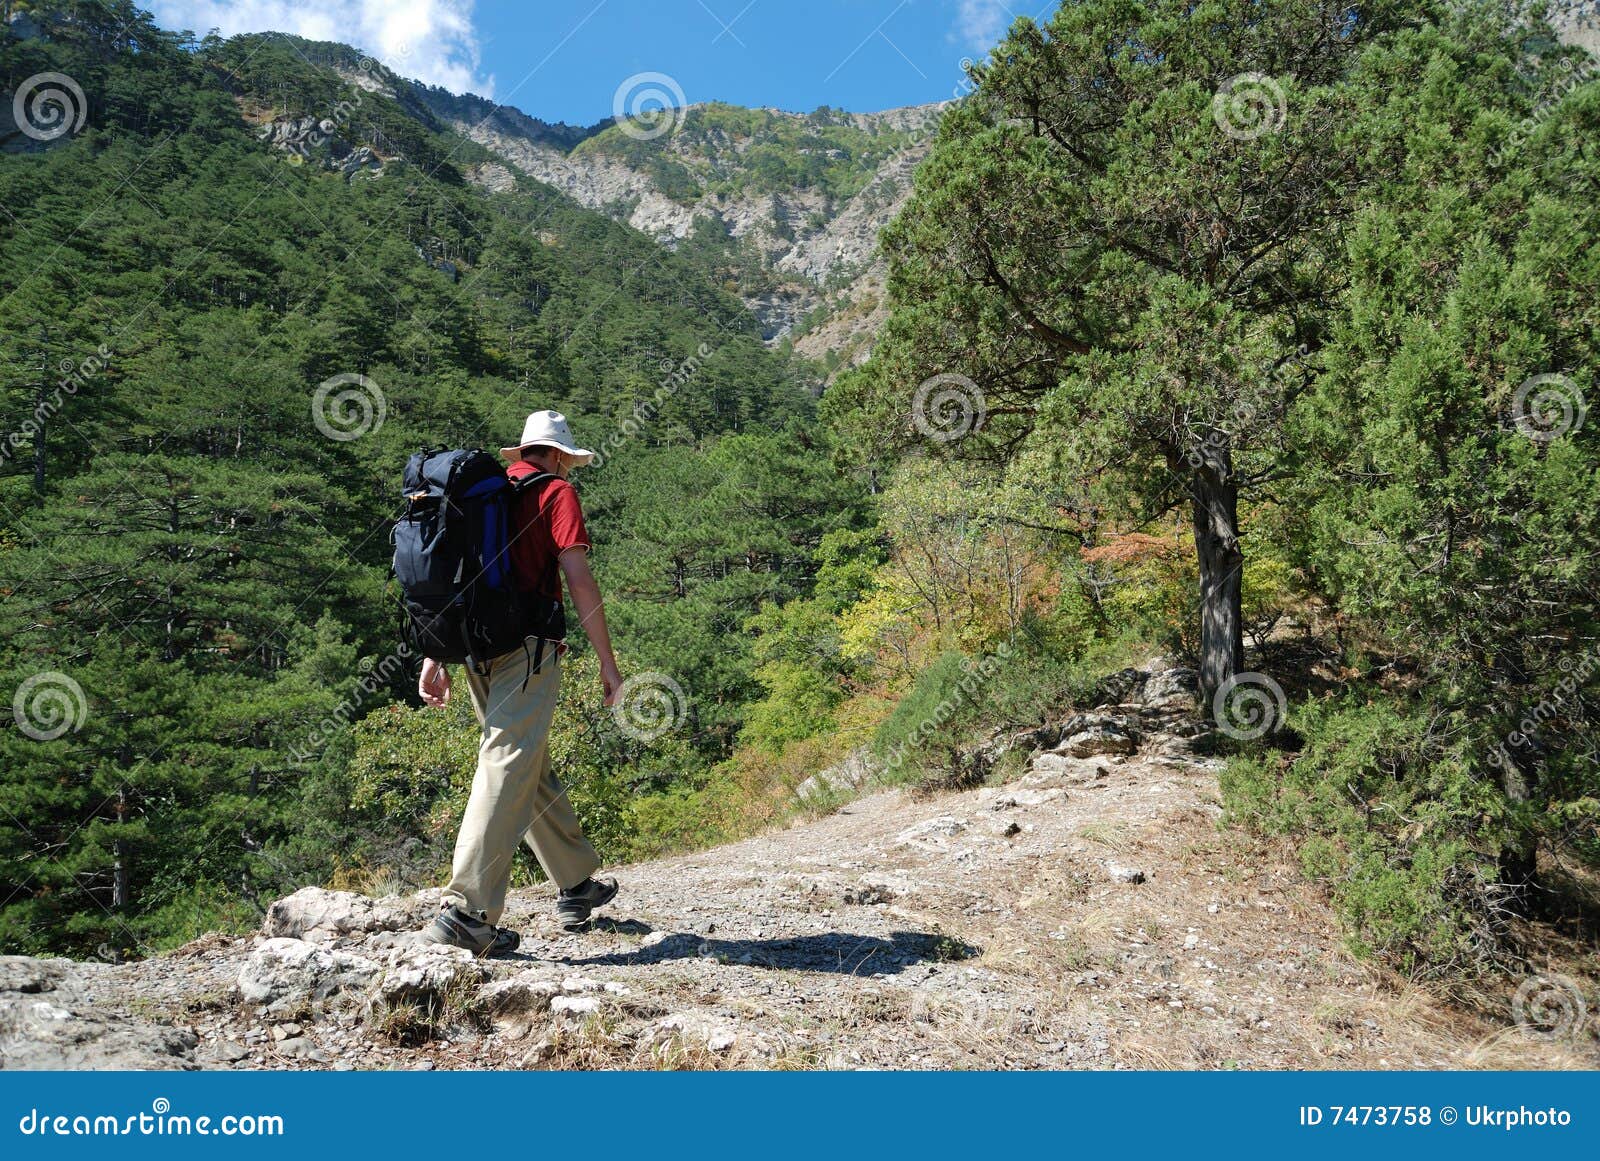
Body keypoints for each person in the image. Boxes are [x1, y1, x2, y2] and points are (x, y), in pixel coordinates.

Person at [418, 410, 623, 954]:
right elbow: (578, 577)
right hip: (527, 649)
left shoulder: (483, 494)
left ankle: (576, 882)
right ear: (558, 455)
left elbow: (450, 579)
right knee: (508, 759)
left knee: (523, 759)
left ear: (523, 451)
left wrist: (435, 655)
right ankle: (469, 910)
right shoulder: (556, 492)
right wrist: (608, 660)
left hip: (475, 650)